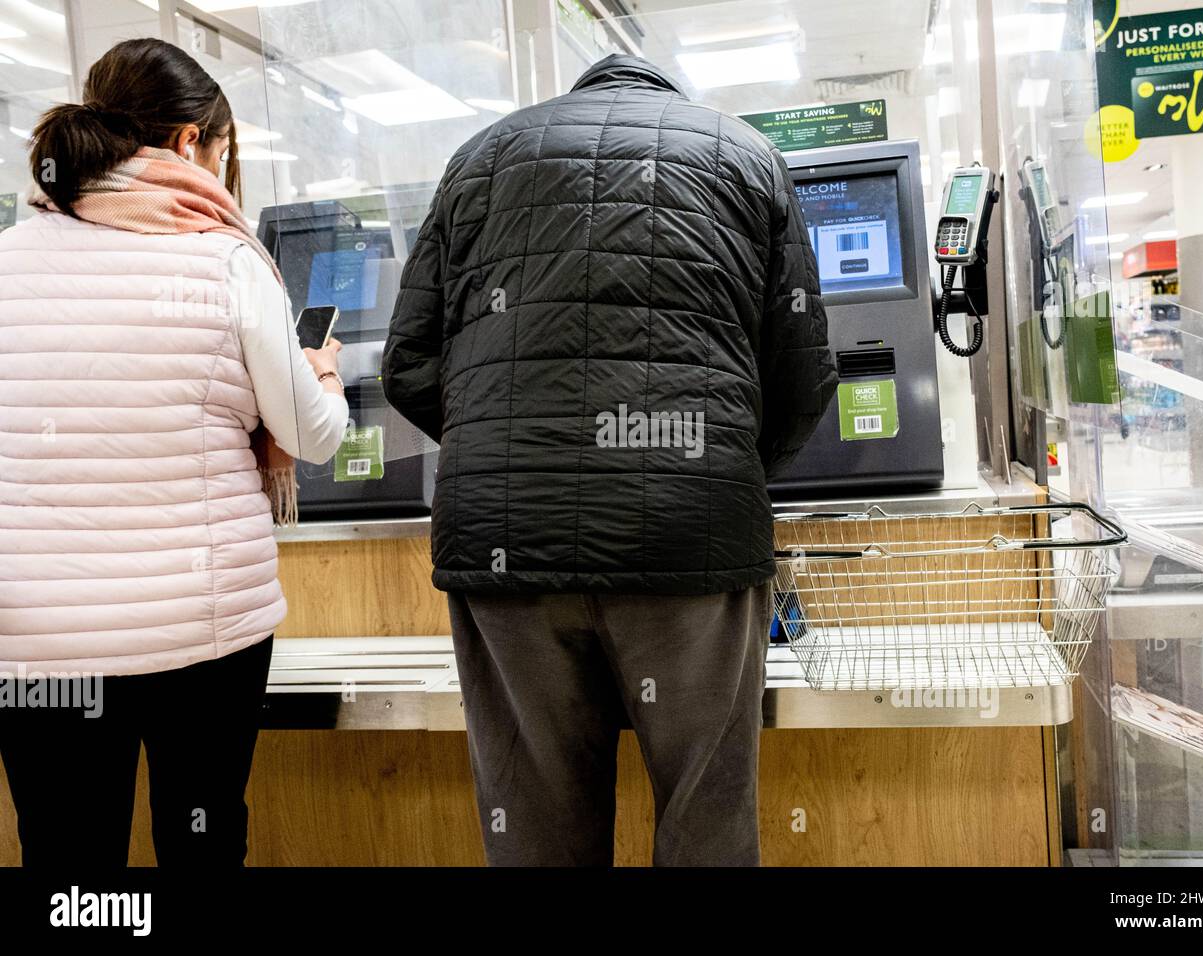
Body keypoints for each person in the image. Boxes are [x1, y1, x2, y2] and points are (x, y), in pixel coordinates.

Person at [384, 53, 836, 866]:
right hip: (688, 535)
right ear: (665, 92)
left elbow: (408, 365)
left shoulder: (480, 158)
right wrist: (724, 468)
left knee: (535, 827)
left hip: (507, 542)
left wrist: (505, 446)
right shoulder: (746, 155)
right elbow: (804, 373)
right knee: (707, 820)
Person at [0, 38, 350, 866]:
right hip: (201, 636)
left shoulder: (6, 261)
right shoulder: (224, 261)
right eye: (225, 152)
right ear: (193, 142)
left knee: (67, 854)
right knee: (200, 837)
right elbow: (310, 436)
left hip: (36, 642)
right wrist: (322, 376)